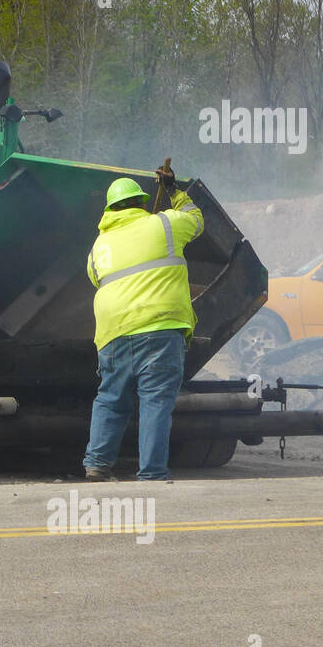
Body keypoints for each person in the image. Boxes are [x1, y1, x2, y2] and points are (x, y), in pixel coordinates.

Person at [83, 168, 204, 482]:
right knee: (155, 401)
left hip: (113, 332)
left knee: (111, 397)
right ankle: (151, 473)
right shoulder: (164, 223)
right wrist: (174, 190)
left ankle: (97, 464)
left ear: (110, 209)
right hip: (159, 327)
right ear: (139, 201)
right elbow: (196, 219)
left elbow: (96, 279)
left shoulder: (98, 246)